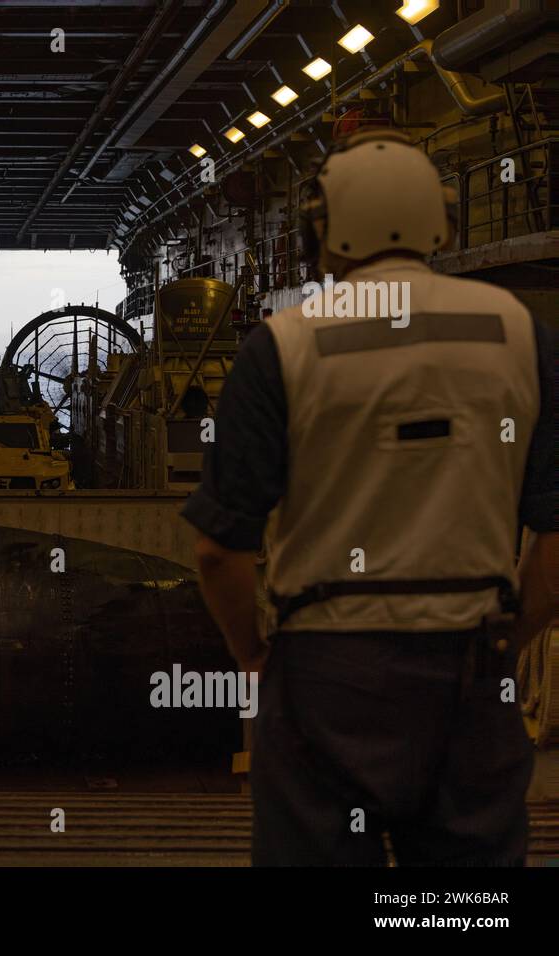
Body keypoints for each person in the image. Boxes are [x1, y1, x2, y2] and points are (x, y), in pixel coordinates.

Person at [181, 130, 556, 866]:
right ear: (442, 223)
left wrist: (255, 655)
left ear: (321, 231)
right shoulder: (525, 338)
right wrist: (511, 635)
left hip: (325, 672)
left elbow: (219, 548)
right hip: (469, 668)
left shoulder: (280, 347)